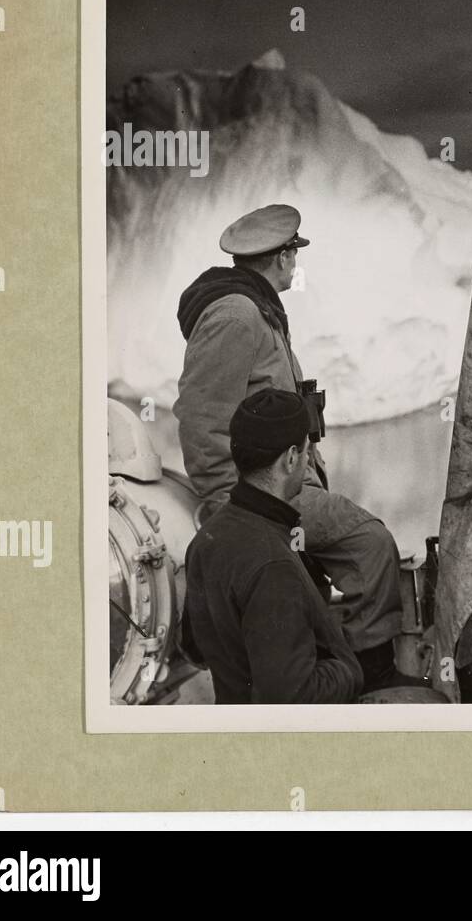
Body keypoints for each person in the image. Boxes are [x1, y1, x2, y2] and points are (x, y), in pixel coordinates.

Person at [175, 203, 404, 693]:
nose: (295, 264)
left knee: (318, 583)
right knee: (371, 544)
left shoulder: (257, 311)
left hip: (283, 489)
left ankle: (339, 667)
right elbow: (202, 417)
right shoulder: (236, 315)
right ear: (281, 258)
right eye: (292, 254)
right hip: (262, 498)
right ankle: (374, 672)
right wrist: (228, 503)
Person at [180, 389, 363, 704]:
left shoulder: (207, 539)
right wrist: (350, 670)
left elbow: (194, 646)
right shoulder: (272, 567)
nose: (306, 462)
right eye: (306, 454)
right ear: (291, 459)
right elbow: (294, 697)